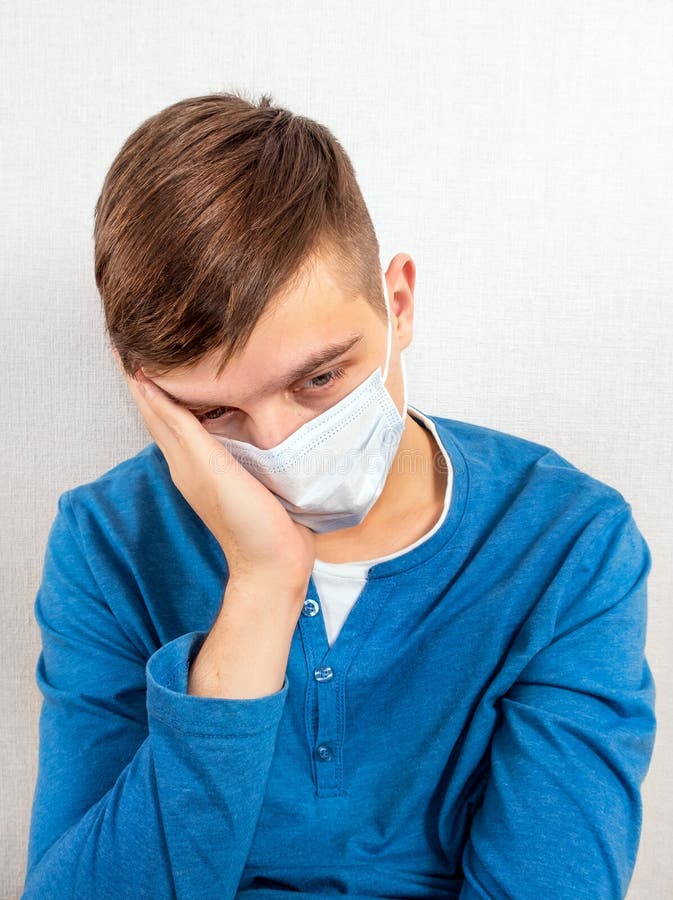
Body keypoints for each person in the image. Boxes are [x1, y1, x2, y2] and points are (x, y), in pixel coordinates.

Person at [22, 91, 656, 900]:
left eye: (320, 378)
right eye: (216, 411)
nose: (280, 444)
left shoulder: (567, 542)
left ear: (397, 303)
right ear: (153, 400)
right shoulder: (108, 542)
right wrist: (261, 586)